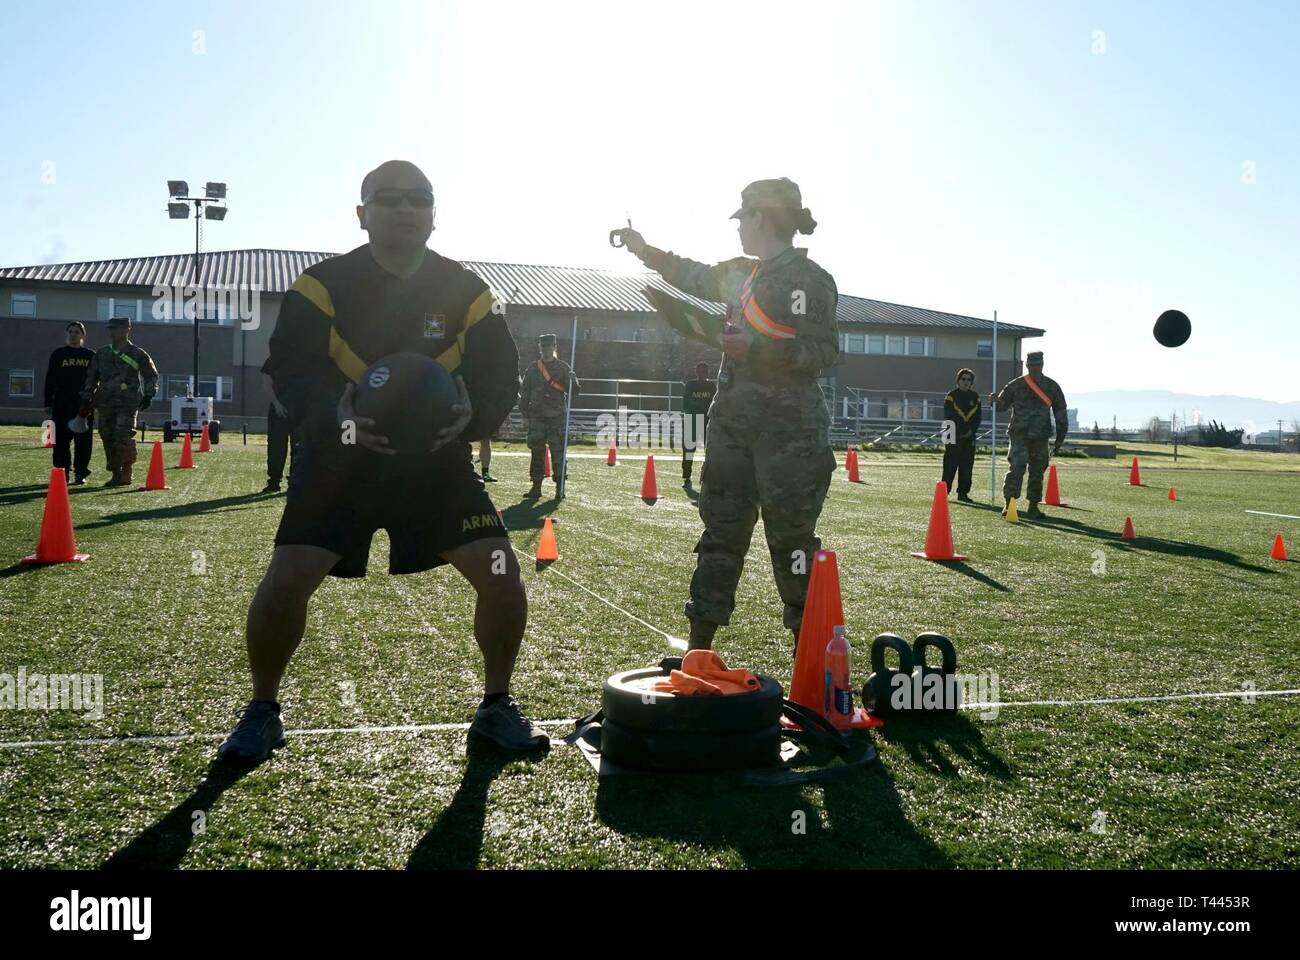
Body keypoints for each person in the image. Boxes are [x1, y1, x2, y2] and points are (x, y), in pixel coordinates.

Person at [218, 159, 545, 762]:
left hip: (434, 460)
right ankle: (261, 709)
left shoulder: (469, 292)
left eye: (417, 199)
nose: (403, 209)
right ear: (362, 213)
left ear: (433, 215)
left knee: (502, 574)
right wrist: (335, 419)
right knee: (289, 576)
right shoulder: (320, 285)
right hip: (342, 458)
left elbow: (500, 373)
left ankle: (496, 707)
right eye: (388, 199)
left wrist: (471, 419)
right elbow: (288, 371)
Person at [613, 177, 838, 651]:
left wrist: (759, 346)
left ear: (762, 218)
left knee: (794, 546)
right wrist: (641, 248)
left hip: (789, 436)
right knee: (720, 536)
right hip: (733, 427)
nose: (738, 229)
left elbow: (821, 353)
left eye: (743, 219)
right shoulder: (743, 273)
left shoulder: (809, 280)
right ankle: (698, 652)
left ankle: (812, 662)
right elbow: (690, 274)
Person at [77, 316, 158, 487]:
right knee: (107, 436)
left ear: (127, 330)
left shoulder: (137, 353)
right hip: (105, 402)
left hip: (127, 403)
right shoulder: (102, 353)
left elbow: (150, 375)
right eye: (111, 329)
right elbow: (92, 377)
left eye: (117, 328)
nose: (113, 332)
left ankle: (126, 471)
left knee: (123, 435)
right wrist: (86, 397)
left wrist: (149, 394)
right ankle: (115, 473)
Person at [990, 350, 1068, 518]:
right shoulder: (1016, 385)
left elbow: (1061, 412)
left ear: (1042, 364)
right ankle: (1009, 504)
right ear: (1027, 365)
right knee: (1016, 468)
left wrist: (1060, 437)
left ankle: (1033, 506)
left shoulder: (1051, 386)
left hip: (1040, 436)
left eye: (1038, 364)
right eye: (1032, 365)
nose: (1035, 368)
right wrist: (995, 401)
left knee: (1037, 471)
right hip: (1019, 434)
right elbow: (1001, 407)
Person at [519, 333, 580, 500]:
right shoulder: (532, 369)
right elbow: (525, 393)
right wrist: (524, 414)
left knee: (558, 453)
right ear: (540, 348)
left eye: (549, 346)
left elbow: (573, 392)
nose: (546, 350)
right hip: (537, 418)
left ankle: (560, 488)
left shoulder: (563, 368)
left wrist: (574, 380)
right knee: (537, 453)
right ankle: (536, 487)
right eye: (543, 347)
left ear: (554, 347)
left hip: (556, 418)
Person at [44, 321, 95, 485]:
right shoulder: (58, 354)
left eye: (77, 332)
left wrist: (93, 402)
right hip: (61, 405)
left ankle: (81, 474)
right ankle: (61, 473)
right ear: (67, 335)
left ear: (83, 336)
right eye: (70, 332)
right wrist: (47, 401)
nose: (73, 335)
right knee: (60, 442)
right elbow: (50, 379)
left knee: (83, 443)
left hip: (83, 406)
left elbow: (96, 381)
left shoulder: (90, 355)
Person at [941, 367, 981, 503]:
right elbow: (950, 416)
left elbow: (977, 417)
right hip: (952, 434)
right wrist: (961, 431)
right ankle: (944, 492)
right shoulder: (951, 396)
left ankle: (963, 493)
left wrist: (970, 431)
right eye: (963, 379)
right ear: (958, 381)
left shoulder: (975, 397)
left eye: (969, 380)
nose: (966, 382)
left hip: (969, 436)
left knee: (967, 465)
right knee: (950, 464)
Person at [261, 358, 294, 493]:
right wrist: (276, 404)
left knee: (299, 447)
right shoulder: (274, 359)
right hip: (278, 410)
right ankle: (274, 482)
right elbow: (266, 382)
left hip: (301, 411)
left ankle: (295, 481)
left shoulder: (308, 358)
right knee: (276, 447)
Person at [681, 360, 716, 486]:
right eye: (700, 371)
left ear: (708, 373)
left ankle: (708, 476)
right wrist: (702, 407)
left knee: (711, 449)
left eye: (705, 371)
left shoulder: (711, 386)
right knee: (688, 450)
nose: (702, 374)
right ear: (696, 372)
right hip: (692, 421)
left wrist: (700, 407)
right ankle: (686, 476)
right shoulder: (690, 385)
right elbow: (686, 403)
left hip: (707, 422)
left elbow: (714, 404)